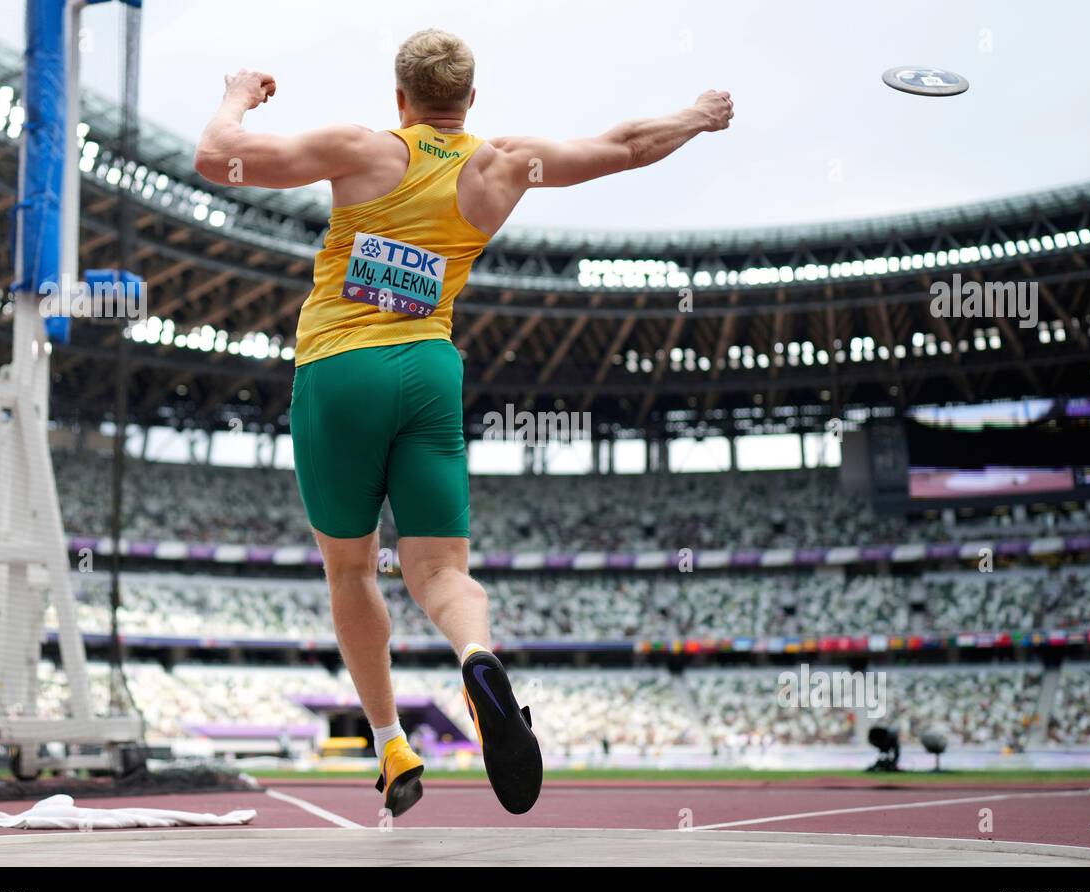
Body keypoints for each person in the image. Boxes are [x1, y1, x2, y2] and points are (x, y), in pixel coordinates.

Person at [195, 28, 734, 817]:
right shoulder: (504, 163)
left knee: (352, 569)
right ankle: (476, 656)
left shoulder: (363, 148)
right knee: (442, 572)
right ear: (470, 101)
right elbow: (623, 147)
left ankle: (390, 742)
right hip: (429, 373)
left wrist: (239, 92)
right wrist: (697, 113)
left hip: (339, 371)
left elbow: (218, 156)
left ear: (402, 99)